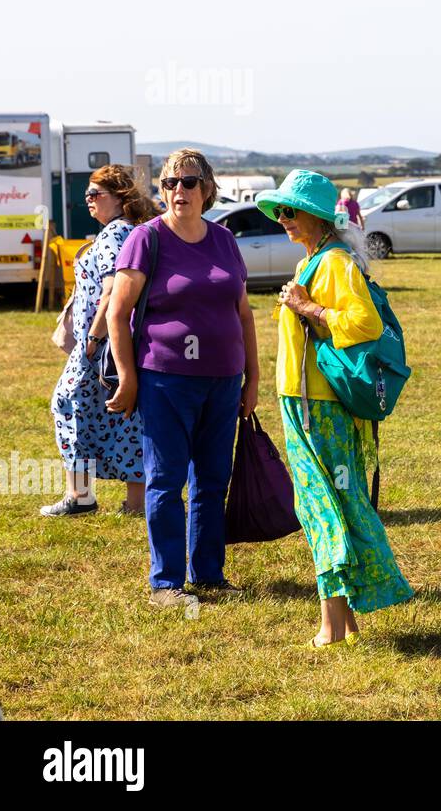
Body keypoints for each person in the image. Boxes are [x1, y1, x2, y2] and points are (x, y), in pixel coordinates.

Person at [259, 169, 412, 647]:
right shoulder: (313, 261)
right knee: (327, 504)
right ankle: (344, 621)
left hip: (319, 406)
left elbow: (364, 323)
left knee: (324, 506)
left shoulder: (334, 262)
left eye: (291, 210)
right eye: (279, 211)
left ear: (318, 217)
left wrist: (309, 309)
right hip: (303, 400)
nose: (283, 218)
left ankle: (332, 625)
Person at [106, 149, 260, 609]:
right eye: (170, 183)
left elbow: (244, 313)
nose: (179, 190)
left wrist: (252, 378)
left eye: (189, 182)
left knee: (213, 479)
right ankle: (167, 582)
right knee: (166, 480)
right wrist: (128, 377)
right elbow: (117, 313)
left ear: (207, 189)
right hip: (165, 379)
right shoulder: (146, 239)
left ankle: (209, 574)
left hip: (223, 380)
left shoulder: (224, 240)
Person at [42, 165, 156, 518]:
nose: (88, 200)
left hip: (101, 342)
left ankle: (80, 496)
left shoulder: (114, 234)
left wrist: (93, 337)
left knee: (67, 403)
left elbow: (111, 290)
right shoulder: (130, 230)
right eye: (86, 194)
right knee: (127, 413)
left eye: (95, 194)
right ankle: (134, 502)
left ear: (120, 197)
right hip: (119, 339)